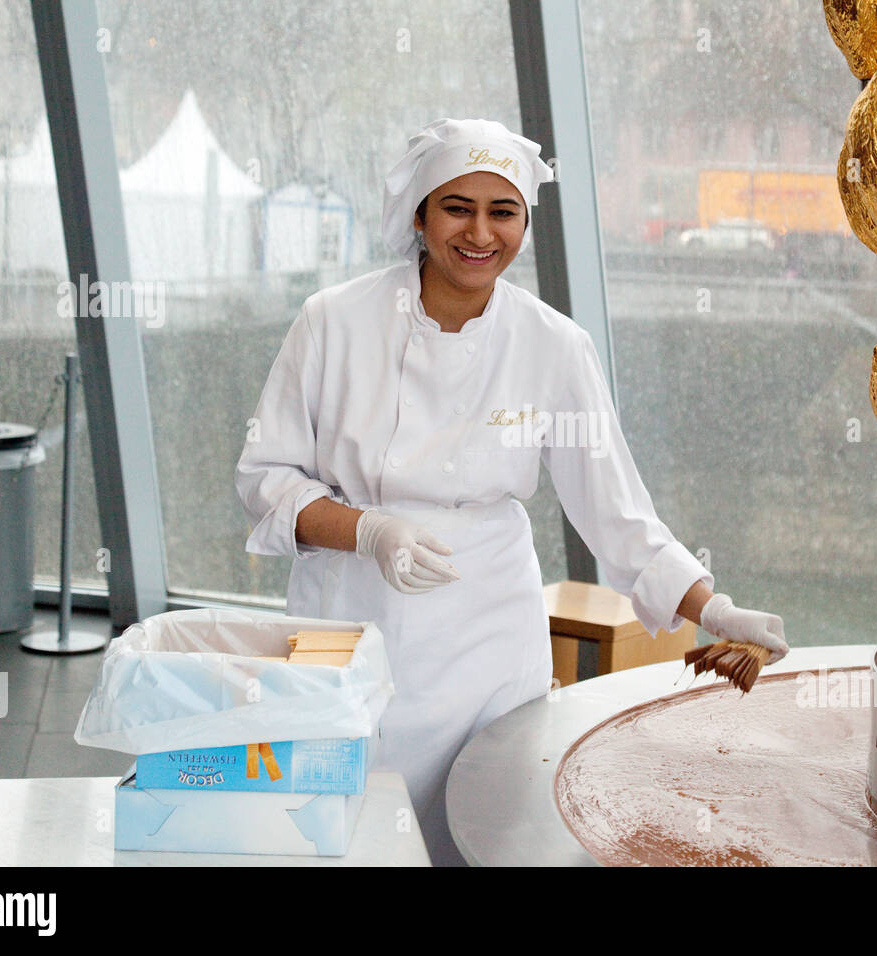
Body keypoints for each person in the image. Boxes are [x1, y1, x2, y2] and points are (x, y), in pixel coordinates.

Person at [235, 118, 790, 866]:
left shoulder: (554, 346)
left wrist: (714, 609)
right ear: (420, 216)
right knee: (346, 832)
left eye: (504, 212)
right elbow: (264, 477)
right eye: (457, 206)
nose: (479, 233)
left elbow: (617, 513)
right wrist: (371, 532)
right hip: (349, 621)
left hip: (488, 641)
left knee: (486, 831)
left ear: (525, 222)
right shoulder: (333, 321)